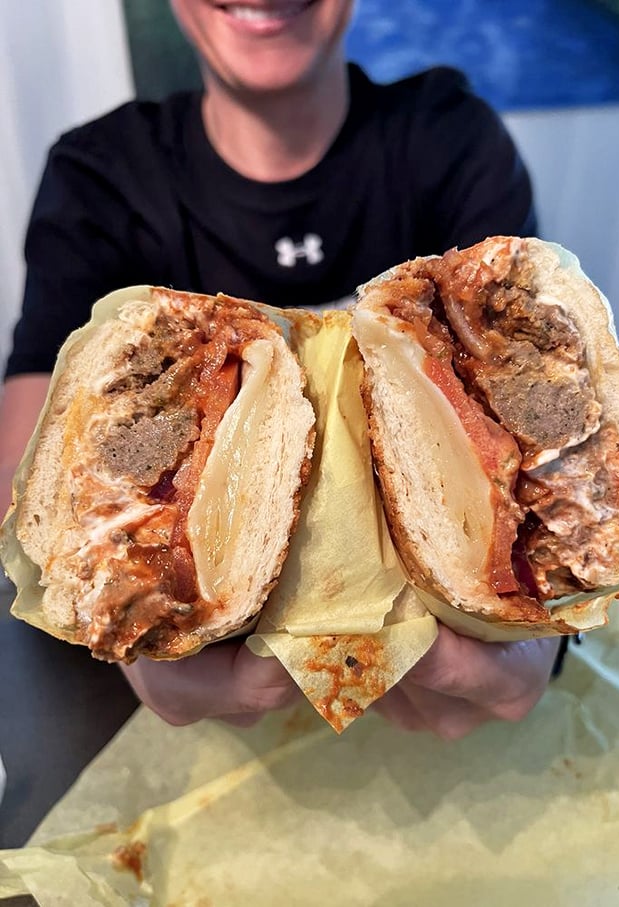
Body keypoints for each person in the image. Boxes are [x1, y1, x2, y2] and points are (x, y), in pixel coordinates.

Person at [0, 0, 560, 739]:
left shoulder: (448, 141)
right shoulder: (102, 178)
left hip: (446, 746)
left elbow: (538, 408)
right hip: (192, 749)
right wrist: (127, 602)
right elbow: (27, 472)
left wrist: (541, 624)